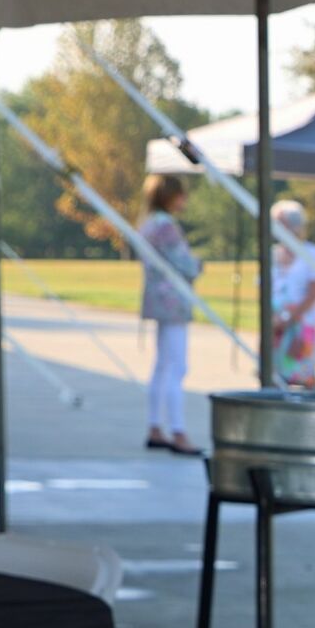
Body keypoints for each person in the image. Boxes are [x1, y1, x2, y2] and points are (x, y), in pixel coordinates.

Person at [137, 174, 203, 454]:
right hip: (172, 300)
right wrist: (198, 265)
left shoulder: (147, 224)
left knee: (162, 364)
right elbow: (184, 263)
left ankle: (156, 425)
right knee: (176, 366)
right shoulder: (166, 226)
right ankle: (178, 431)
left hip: (156, 297)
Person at [268, 200, 315, 390]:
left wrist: (289, 318)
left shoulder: (313, 253)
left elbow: (313, 292)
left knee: (304, 374)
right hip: (275, 324)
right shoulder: (272, 254)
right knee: (273, 375)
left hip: (302, 323)